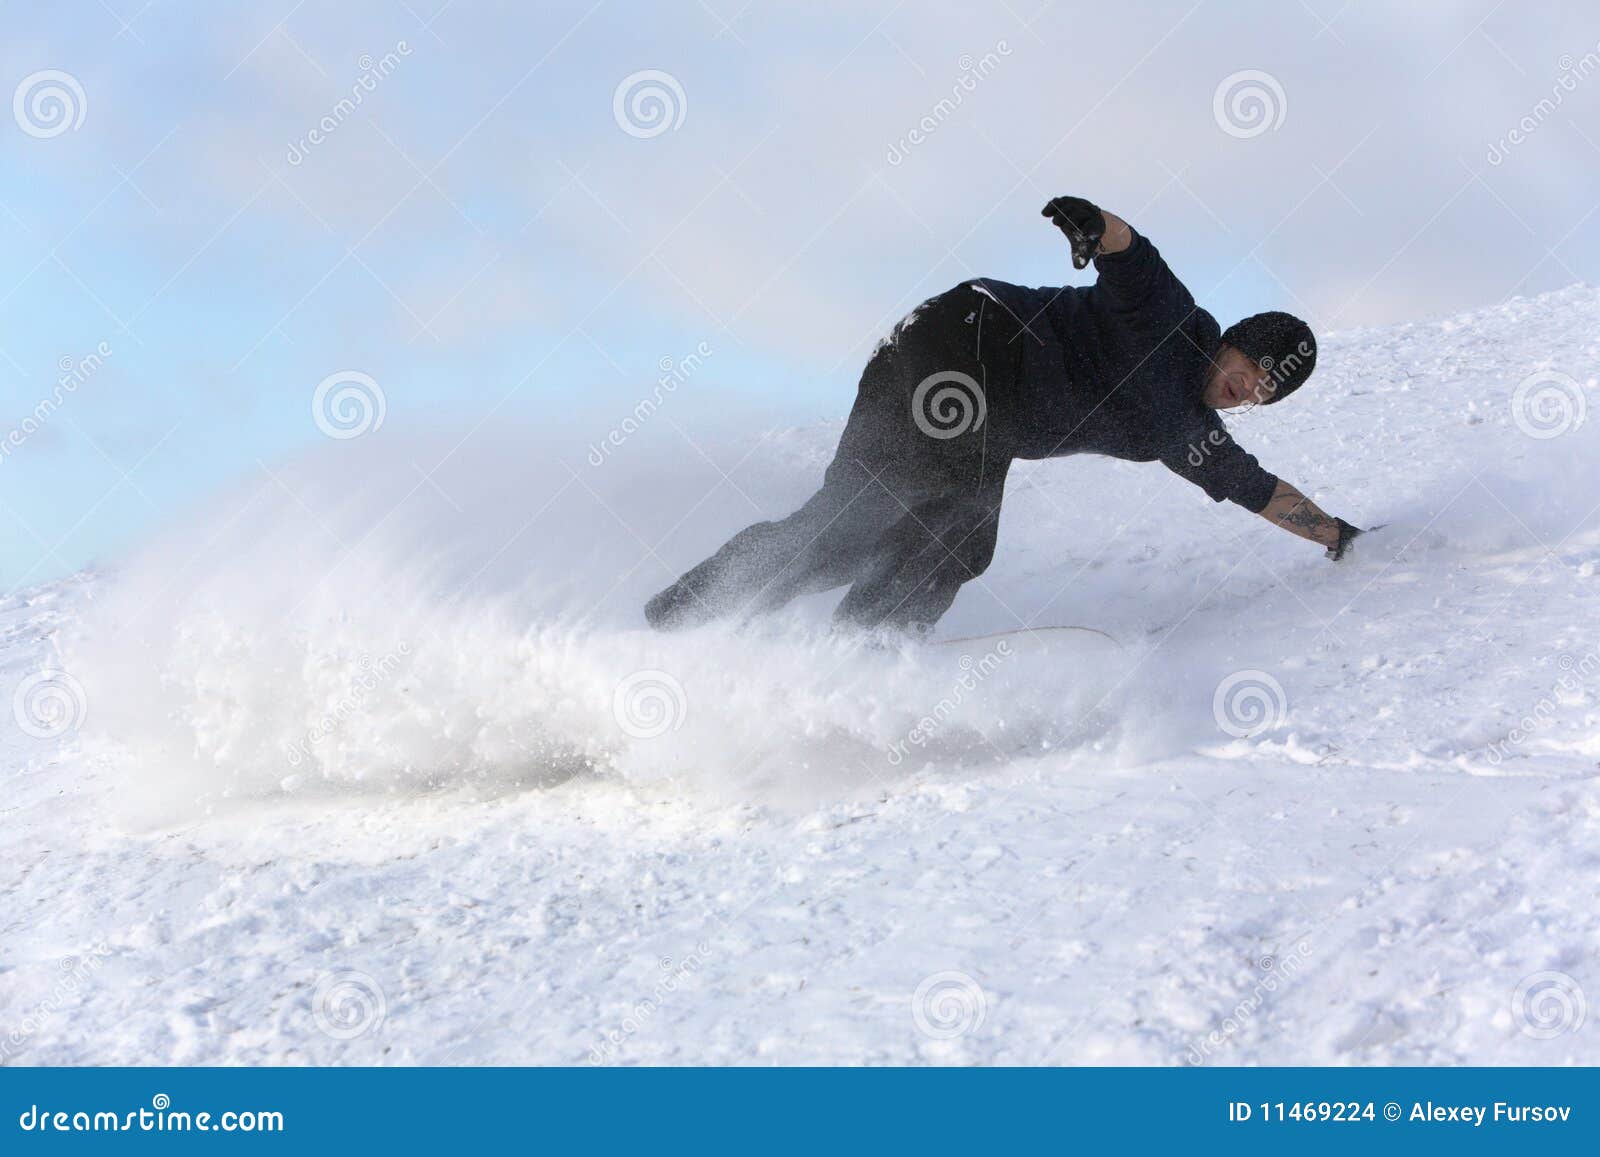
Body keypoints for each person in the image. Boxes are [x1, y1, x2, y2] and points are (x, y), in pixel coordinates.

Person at [645, 194, 1364, 635]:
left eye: (1267, 390)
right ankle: (859, 654)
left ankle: (685, 621)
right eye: (1252, 368)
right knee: (957, 523)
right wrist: (1090, 223)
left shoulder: (1193, 435)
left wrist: (1337, 534)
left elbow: (1261, 491)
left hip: (914, 370)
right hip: (961, 341)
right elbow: (1130, 253)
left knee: (848, 525)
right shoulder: (1169, 321)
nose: (1250, 387)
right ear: (1234, 341)